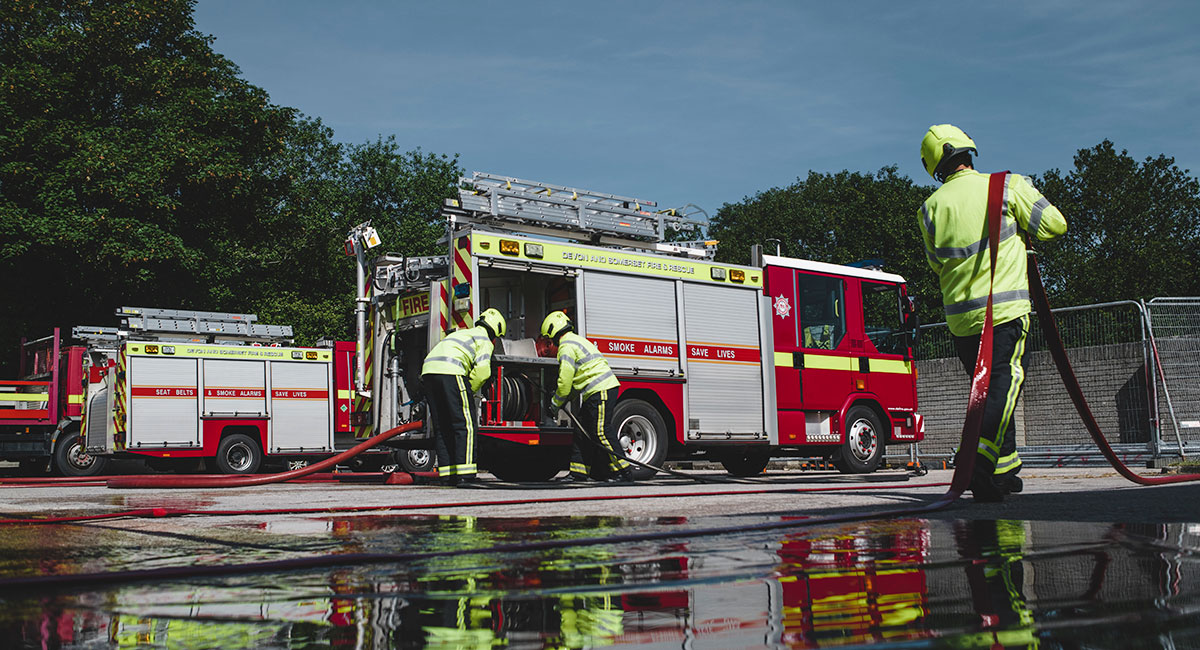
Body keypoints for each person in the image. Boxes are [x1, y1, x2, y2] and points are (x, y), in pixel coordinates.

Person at [917, 124, 1067, 502]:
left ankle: (1003, 473)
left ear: (935, 165)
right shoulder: (1007, 186)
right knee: (1002, 387)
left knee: (992, 395)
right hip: (1004, 312)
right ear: (969, 151)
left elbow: (937, 264)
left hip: (962, 321)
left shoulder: (930, 208)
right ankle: (977, 463)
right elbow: (1055, 226)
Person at [539, 311, 633, 483]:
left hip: (601, 390)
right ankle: (578, 473)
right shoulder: (577, 340)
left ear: (552, 331)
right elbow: (577, 381)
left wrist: (554, 403)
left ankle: (623, 472)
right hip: (596, 392)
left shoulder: (566, 347)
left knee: (601, 431)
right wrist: (564, 399)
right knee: (582, 432)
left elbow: (565, 382)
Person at [421, 308, 506, 485]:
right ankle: (466, 475)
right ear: (495, 332)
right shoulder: (484, 340)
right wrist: (470, 392)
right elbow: (483, 372)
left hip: (428, 372)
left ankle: (447, 475)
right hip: (451, 373)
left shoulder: (463, 334)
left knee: (442, 427)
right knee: (465, 425)